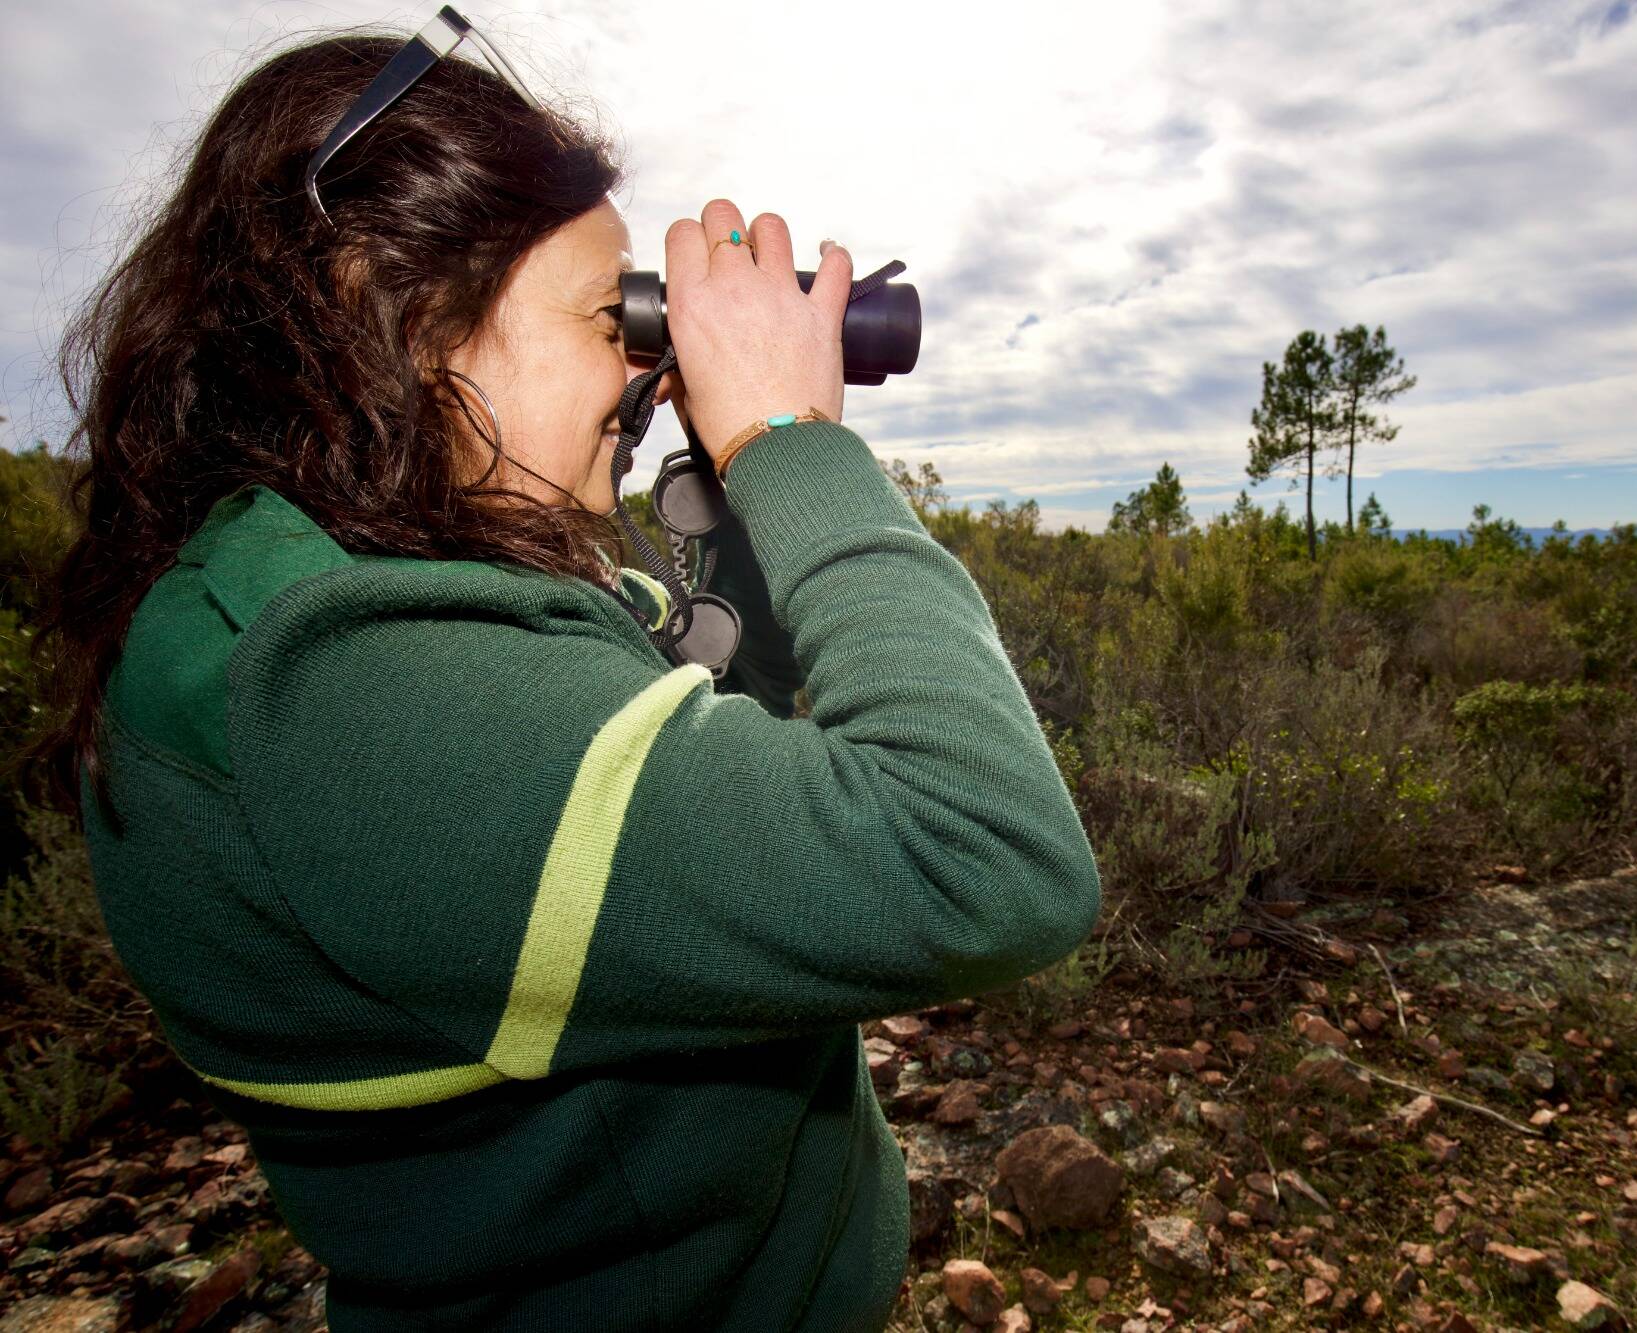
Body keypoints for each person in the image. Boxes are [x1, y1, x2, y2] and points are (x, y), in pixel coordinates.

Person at [27, 18, 1100, 1332]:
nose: (645, 357)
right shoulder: (344, 692)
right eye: (612, 316)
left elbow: (682, 739)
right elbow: (989, 851)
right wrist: (790, 439)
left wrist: (732, 508)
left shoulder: (343, 584)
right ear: (400, 310)